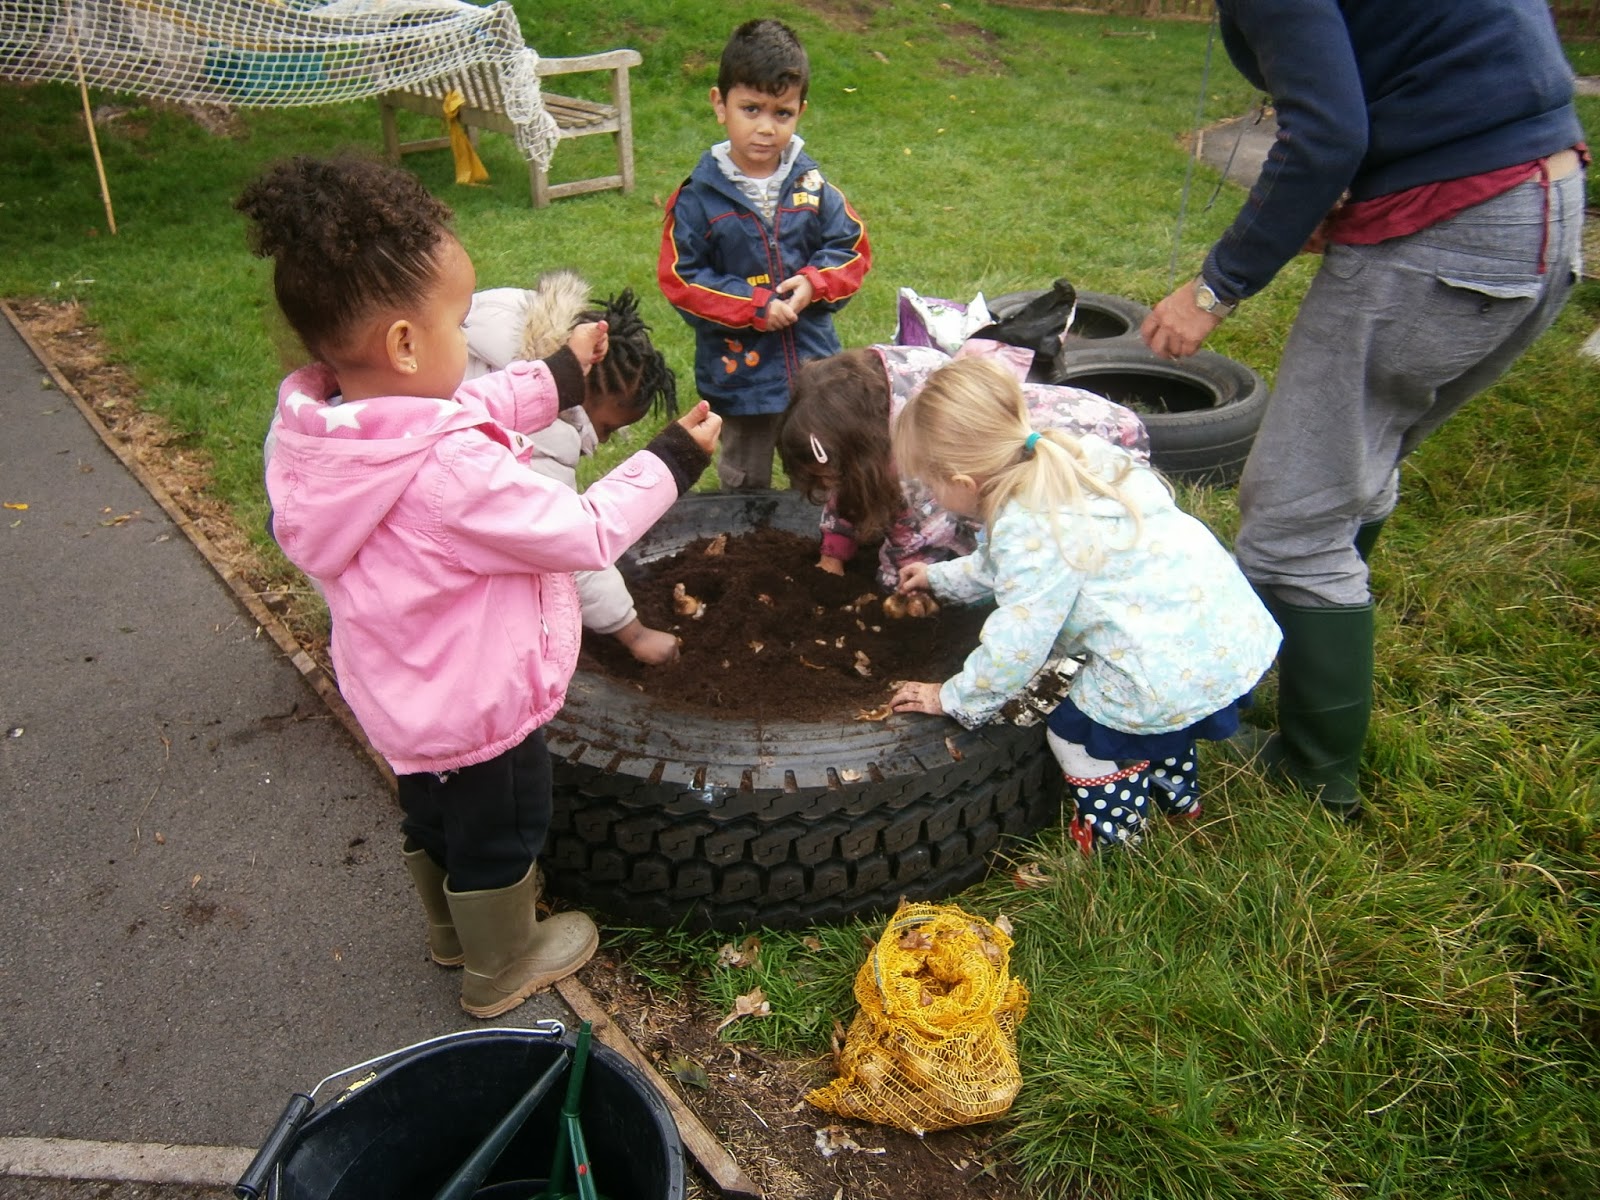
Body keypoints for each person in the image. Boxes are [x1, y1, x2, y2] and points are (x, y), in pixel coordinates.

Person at [236, 154, 721, 1018]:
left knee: (431, 814)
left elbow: (468, 404)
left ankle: (449, 929)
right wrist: (673, 459)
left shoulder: (324, 430)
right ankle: (504, 962)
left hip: (404, 695)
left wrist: (560, 378)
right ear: (404, 343)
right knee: (502, 831)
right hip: (481, 702)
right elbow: (582, 532)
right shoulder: (449, 473)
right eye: (459, 323)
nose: (470, 340)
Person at [1140, 0, 1586, 819]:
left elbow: (1328, 133)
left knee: (1291, 519)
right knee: (1359, 460)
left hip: (1451, 235)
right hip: (1544, 212)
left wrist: (1215, 286)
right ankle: (1274, 656)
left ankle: (1313, 773)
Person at [886, 358, 1281, 855]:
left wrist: (955, 697)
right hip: (1213, 634)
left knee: (1074, 734)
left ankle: (1117, 842)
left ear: (963, 482)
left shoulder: (1032, 527)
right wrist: (938, 578)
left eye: (930, 483)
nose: (931, 495)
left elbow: (1018, 644)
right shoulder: (1067, 458)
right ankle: (1180, 802)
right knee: (1160, 728)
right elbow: (1007, 563)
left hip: (1159, 670)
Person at [658, 17, 872, 491]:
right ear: (720, 104)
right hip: (741, 376)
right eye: (750, 109)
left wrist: (814, 282)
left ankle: (826, 550)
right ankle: (742, 543)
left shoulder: (814, 188)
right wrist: (755, 307)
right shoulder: (698, 198)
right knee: (743, 479)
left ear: (800, 111)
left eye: (782, 113)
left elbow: (852, 248)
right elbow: (682, 279)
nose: (765, 128)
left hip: (814, 372)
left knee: (822, 472)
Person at [774, 340, 1151, 594]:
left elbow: (919, 539)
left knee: (1050, 550)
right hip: (1037, 431)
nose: (832, 487)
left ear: (866, 464)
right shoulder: (867, 410)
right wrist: (833, 551)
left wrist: (899, 589)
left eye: (834, 478)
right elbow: (850, 487)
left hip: (1096, 445)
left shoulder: (924, 462)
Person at [463, 271, 682, 664]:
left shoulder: (510, 322)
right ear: (586, 385)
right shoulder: (537, 434)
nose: (606, 441)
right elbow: (563, 544)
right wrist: (635, 634)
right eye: (608, 427)